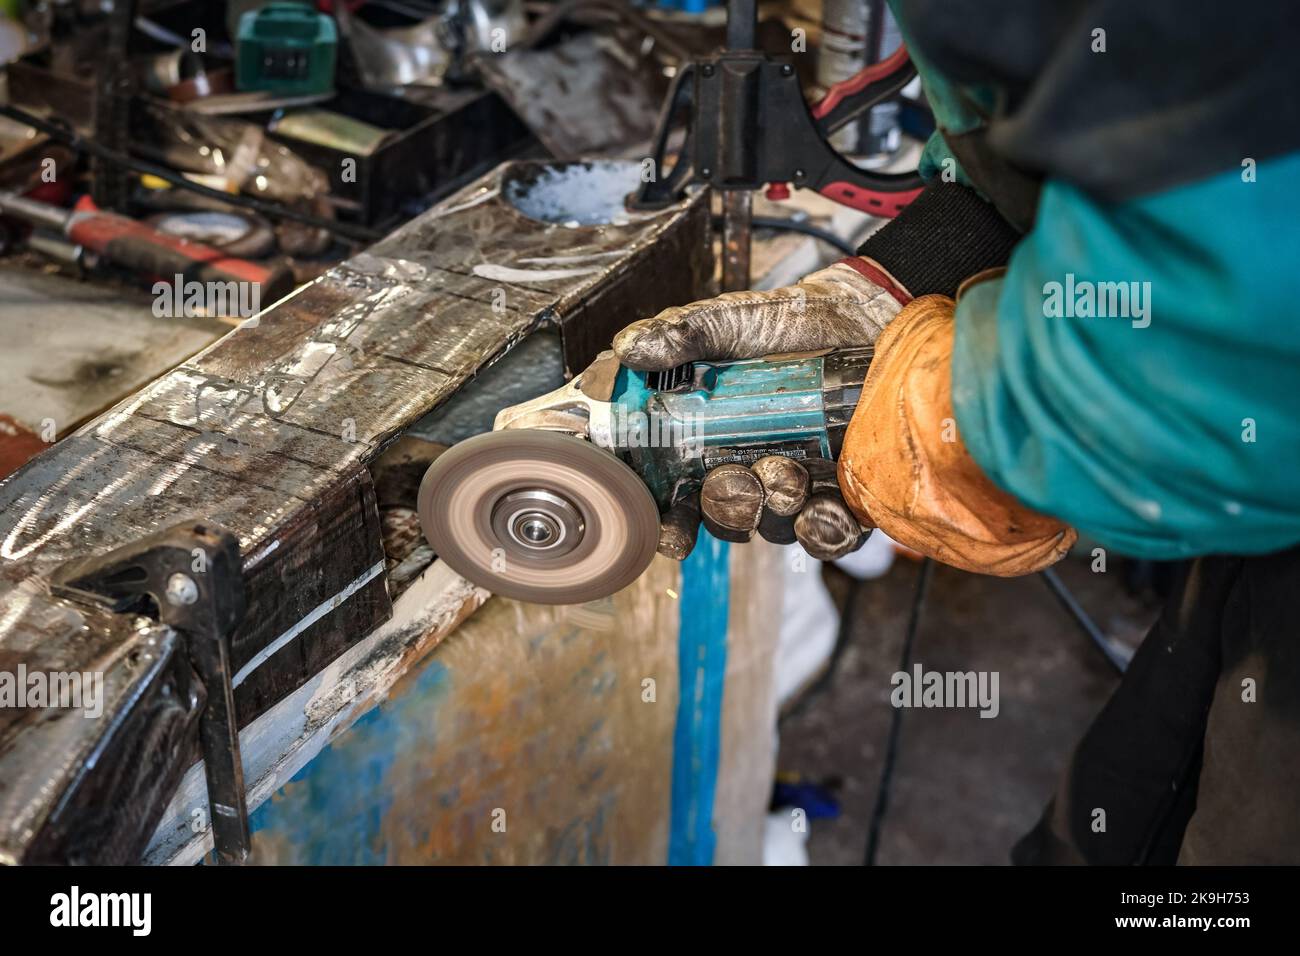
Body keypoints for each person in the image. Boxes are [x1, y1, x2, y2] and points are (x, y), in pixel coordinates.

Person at [611, 0, 1300, 864]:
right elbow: (1104, 132)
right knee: (1114, 822)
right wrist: (915, 271)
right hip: (1257, 543)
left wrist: (967, 423)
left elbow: (1245, 320)